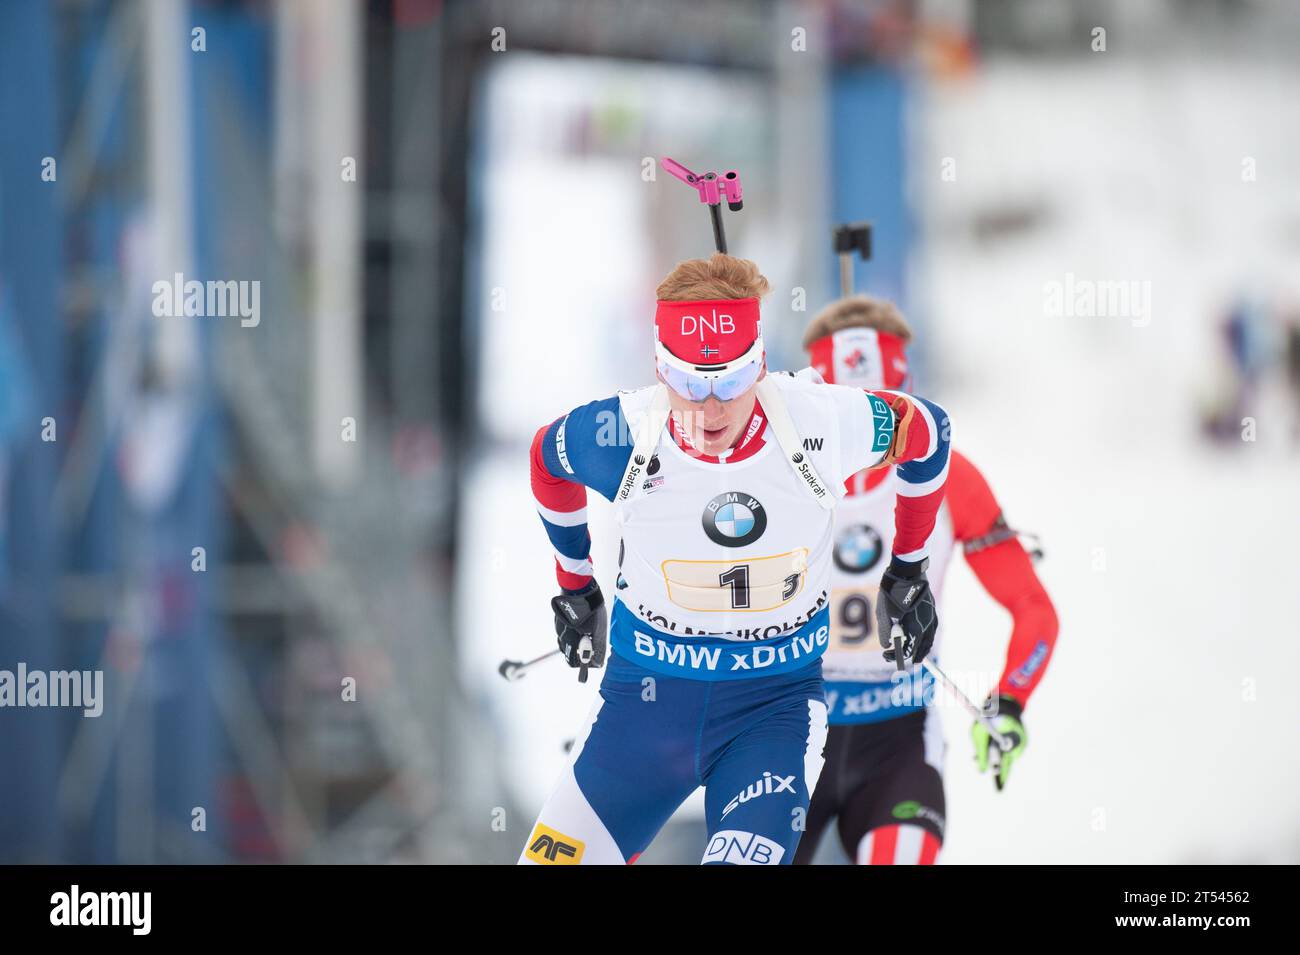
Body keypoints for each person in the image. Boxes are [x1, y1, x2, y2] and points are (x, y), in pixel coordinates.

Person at [519, 255, 950, 865]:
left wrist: (909, 569)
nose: (711, 408)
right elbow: (545, 461)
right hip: (643, 713)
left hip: (770, 717)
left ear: (761, 364)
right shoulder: (621, 433)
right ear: (660, 368)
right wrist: (575, 583)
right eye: (692, 383)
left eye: (732, 379)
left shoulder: (821, 421)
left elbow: (930, 434)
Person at [791, 295, 1058, 865]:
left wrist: (1009, 699)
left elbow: (1032, 607)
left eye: (887, 413)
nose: (870, 436)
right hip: (786, 736)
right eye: (848, 414)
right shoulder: (772, 472)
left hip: (898, 743)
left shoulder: (949, 478)